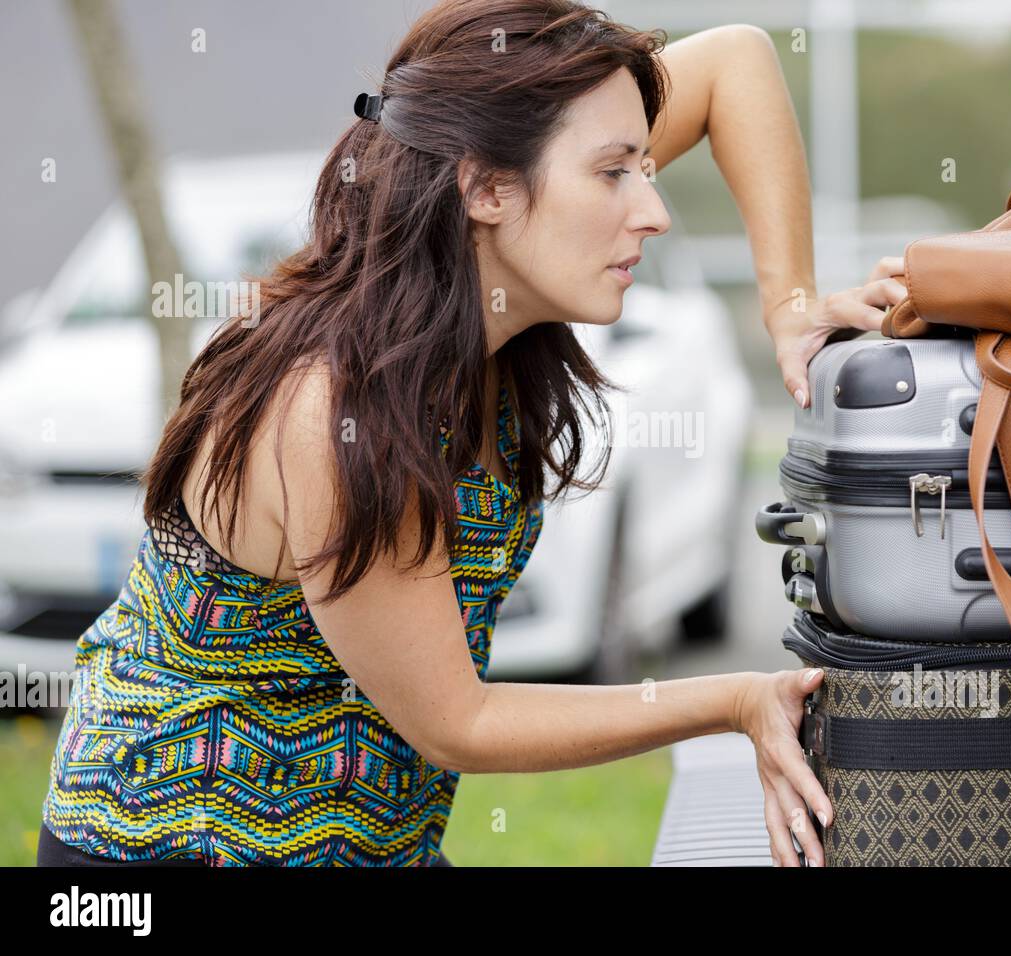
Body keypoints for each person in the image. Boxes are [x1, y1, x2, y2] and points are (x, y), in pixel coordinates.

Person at [39, 0, 907, 868]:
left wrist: (791, 305)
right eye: (615, 173)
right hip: (166, 850)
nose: (655, 209)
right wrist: (735, 700)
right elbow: (461, 721)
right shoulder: (339, 407)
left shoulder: (493, 251)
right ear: (484, 187)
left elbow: (737, 65)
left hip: (373, 840)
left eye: (645, 163)